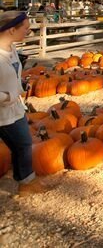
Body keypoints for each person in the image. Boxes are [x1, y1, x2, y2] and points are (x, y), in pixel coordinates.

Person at [0, 11, 49, 196]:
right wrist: (9, 96)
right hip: (3, 112)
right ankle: (26, 182)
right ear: (12, 30)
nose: (28, 32)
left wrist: (19, 84)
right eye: (26, 28)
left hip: (15, 108)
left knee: (23, 143)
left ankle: (26, 181)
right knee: (22, 144)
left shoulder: (11, 49)